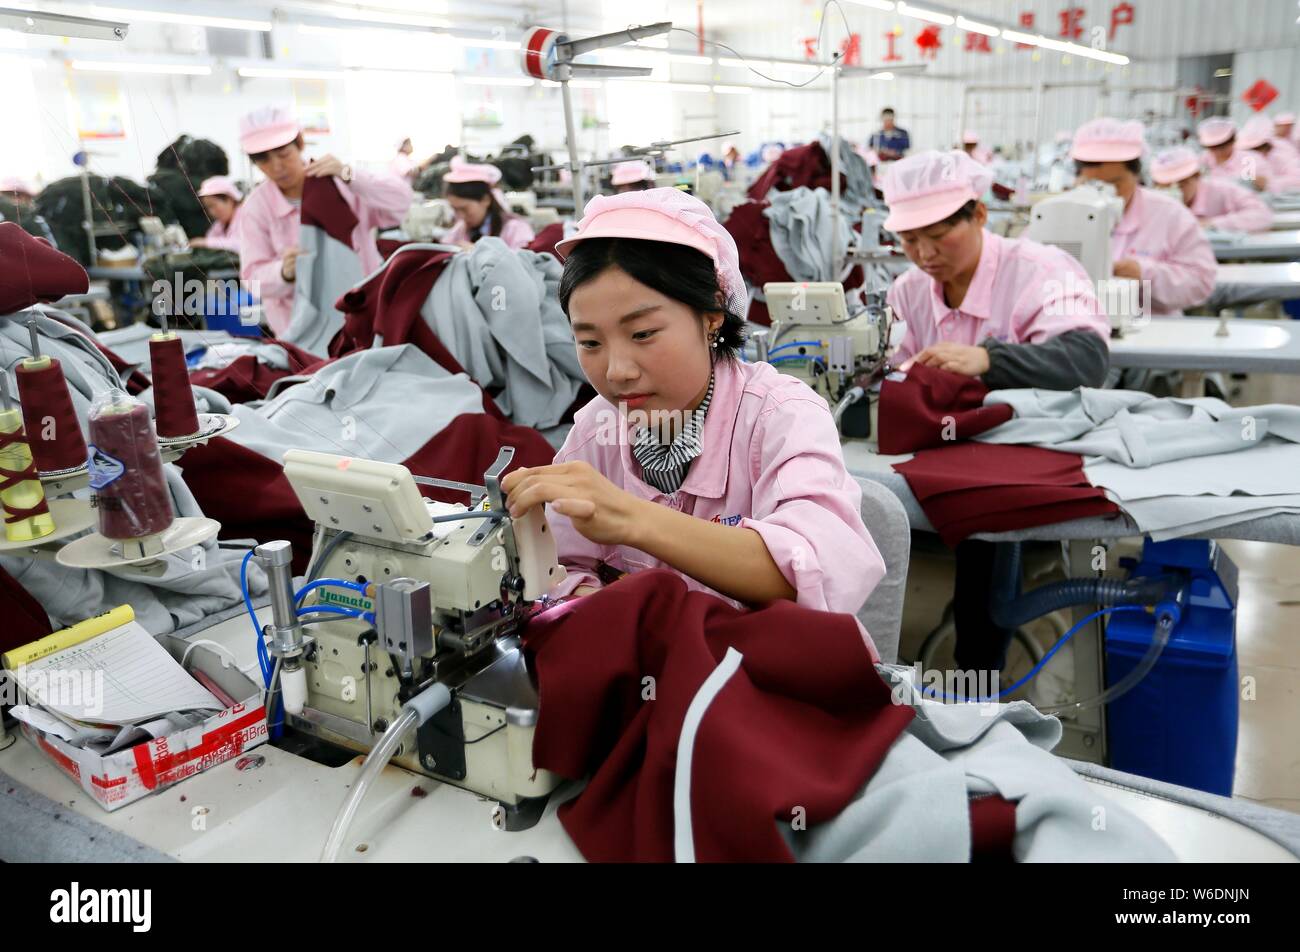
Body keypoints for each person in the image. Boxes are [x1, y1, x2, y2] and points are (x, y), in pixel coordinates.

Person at [500, 187, 882, 614]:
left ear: (711, 314)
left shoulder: (781, 417)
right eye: (589, 342)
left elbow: (814, 573)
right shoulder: (595, 430)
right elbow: (557, 571)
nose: (616, 371)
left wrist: (634, 519)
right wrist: (607, 604)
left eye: (643, 333)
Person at [881, 149, 1110, 676]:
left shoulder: (1039, 270)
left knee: (982, 552)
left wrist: (989, 359)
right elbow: (888, 372)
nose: (924, 253)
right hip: (943, 449)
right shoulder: (909, 290)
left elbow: (1086, 359)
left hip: (1019, 456)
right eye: (910, 240)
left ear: (979, 215)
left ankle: (976, 685)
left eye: (939, 235)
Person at [237, 105, 413, 336]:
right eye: (264, 161)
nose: (277, 167)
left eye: (283, 154)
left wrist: (350, 175)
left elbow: (400, 202)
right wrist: (283, 272)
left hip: (365, 314)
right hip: (304, 332)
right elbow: (252, 280)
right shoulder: (256, 209)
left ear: (299, 144)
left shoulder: (342, 184)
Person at [1072, 117, 1216, 317]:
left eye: (1115, 184)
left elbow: (1201, 282)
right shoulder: (1055, 217)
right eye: (1092, 185)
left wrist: (1143, 273)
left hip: (1153, 331)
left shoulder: (1170, 215)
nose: (1105, 194)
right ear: (1076, 179)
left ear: (1137, 176)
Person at [1150, 147, 1272, 234]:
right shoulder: (1152, 201)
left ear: (1197, 176)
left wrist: (1211, 224)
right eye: (1165, 186)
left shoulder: (1224, 190)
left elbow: (1262, 216)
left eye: (1181, 184)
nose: (1174, 191)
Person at [442, 157, 535, 250]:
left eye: (464, 209)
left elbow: (523, 262)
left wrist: (478, 253)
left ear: (485, 200)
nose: (460, 216)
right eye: (455, 209)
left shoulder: (516, 229)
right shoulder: (461, 229)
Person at [1199, 116, 1271, 193]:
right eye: (1212, 148)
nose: (1217, 151)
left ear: (1233, 141)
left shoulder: (1250, 159)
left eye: (1222, 147)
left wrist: (1250, 181)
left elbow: (1263, 185)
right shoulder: (1204, 158)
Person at [1237, 115, 1300, 194]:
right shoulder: (1241, 156)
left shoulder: (1283, 153)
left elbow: (1296, 177)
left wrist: (1268, 183)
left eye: (1258, 147)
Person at [189, 175, 244, 251]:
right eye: (208, 207)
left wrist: (204, 242)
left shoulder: (246, 217)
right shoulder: (220, 224)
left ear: (229, 200)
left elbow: (240, 244)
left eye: (213, 206)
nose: (211, 212)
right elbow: (211, 238)